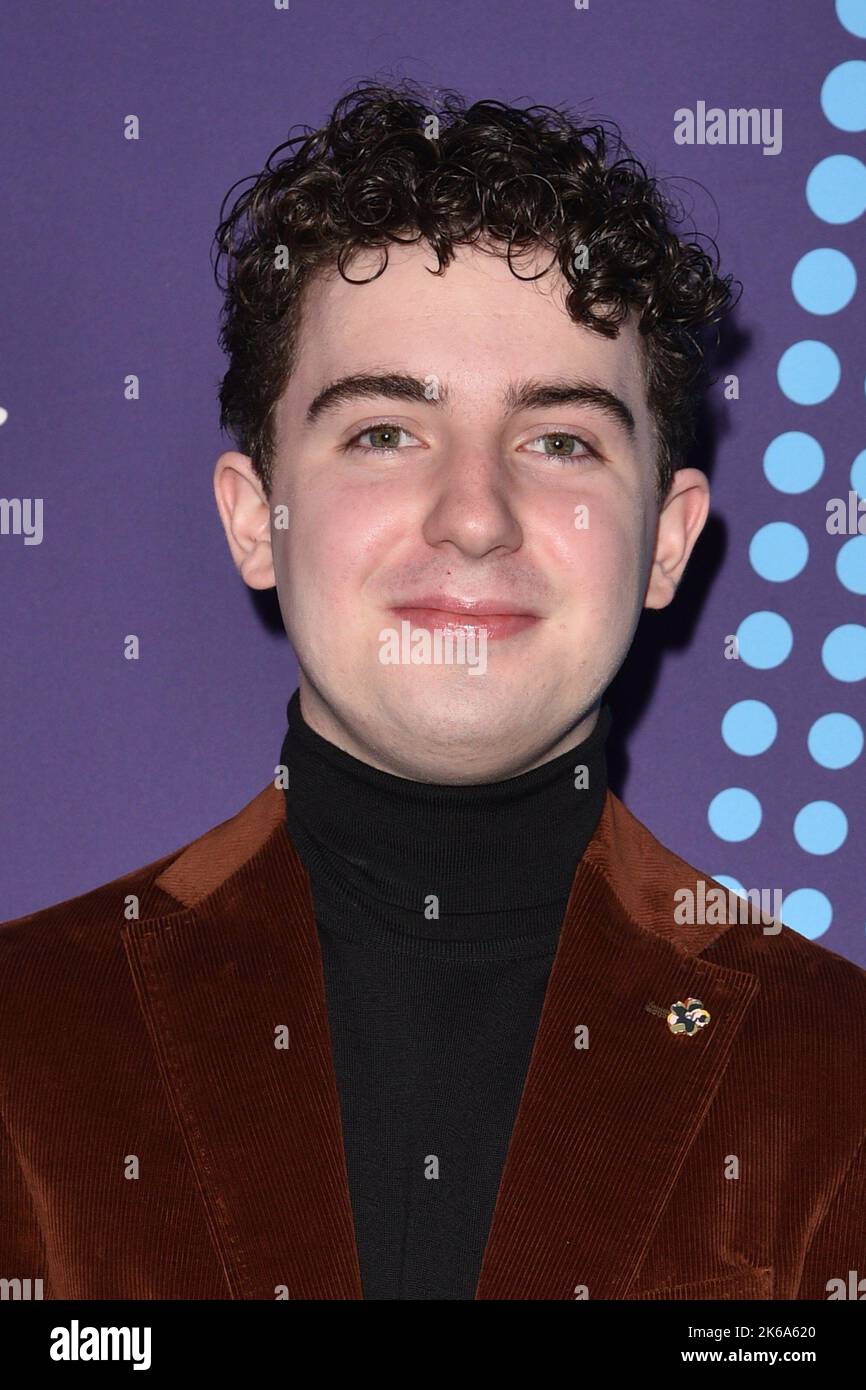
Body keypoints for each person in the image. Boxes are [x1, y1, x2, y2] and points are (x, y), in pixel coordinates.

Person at [1, 81, 863, 1302]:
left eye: (559, 438)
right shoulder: (25, 1046)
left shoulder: (834, 1079)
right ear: (257, 521)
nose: (473, 517)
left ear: (665, 544)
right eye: (383, 433)